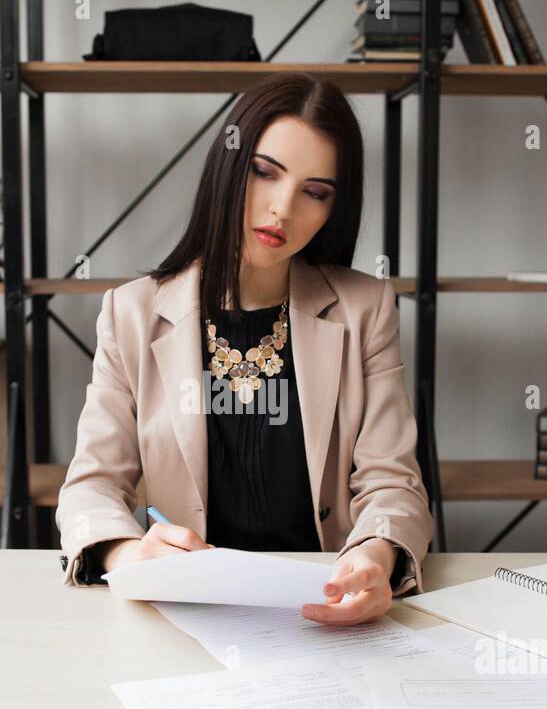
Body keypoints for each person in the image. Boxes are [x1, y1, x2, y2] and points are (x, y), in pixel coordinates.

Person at [56, 73, 433, 626]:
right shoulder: (131, 313)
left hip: (324, 611)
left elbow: (392, 481)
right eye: (265, 172)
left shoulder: (365, 309)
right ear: (229, 167)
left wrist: (375, 555)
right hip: (187, 613)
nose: (282, 208)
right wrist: (129, 554)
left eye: (315, 191)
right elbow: (91, 487)